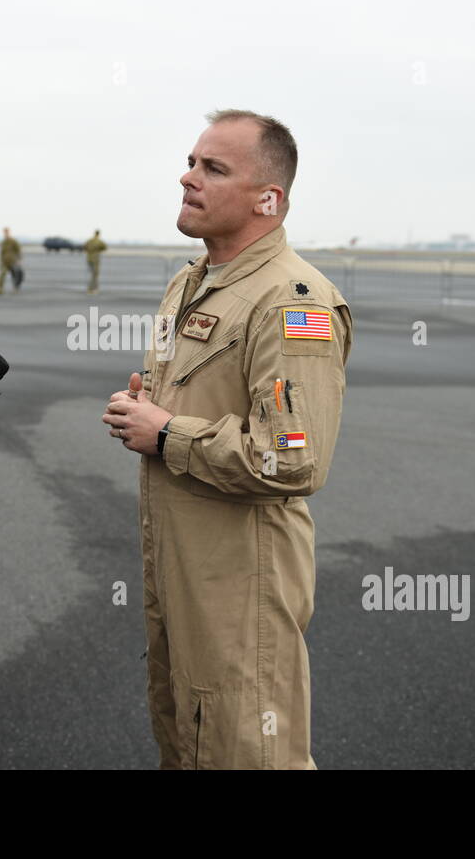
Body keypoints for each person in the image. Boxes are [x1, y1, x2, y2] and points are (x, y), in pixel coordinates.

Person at [101, 110, 353, 769]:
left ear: (268, 199)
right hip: (180, 570)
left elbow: (294, 458)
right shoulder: (187, 284)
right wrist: (142, 408)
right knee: (185, 743)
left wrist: (166, 434)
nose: (188, 177)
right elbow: (173, 391)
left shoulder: (294, 301)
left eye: (214, 168)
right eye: (191, 161)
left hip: (240, 589)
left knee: (246, 750)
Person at [0, 227, 21, 294]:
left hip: (13, 261)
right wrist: (1, 261)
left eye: (7, 232)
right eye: (4, 232)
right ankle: (0, 289)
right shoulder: (3, 242)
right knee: (2, 274)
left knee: (14, 275)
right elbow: (2, 252)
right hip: (5, 262)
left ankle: (15, 289)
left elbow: (18, 251)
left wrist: (19, 260)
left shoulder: (13, 241)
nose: (5, 233)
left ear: (9, 232)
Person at [83, 229, 107, 294]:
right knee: (95, 275)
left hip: (89, 259)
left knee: (91, 274)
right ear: (98, 234)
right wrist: (98, 250)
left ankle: (90, 288)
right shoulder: (99, 241)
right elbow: (104, 248)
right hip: (95, 259)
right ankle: (93, 289)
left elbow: (84, 247)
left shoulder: (89, 240)